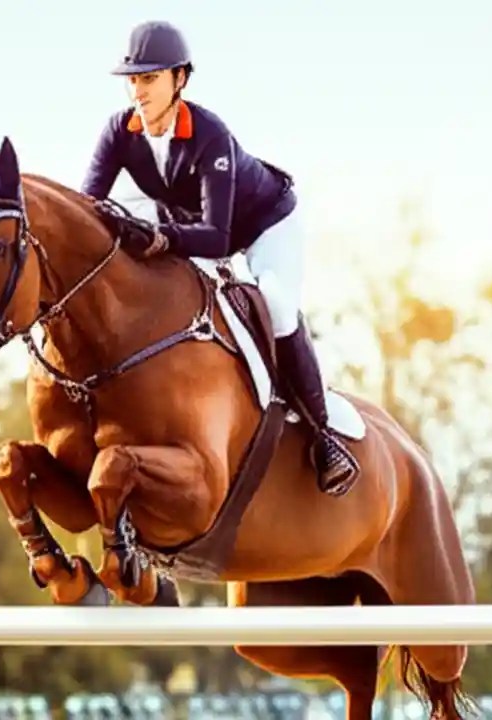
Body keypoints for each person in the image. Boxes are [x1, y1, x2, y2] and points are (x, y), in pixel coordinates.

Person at [78, 20, 359, 496]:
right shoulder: (118, 132)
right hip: (188, 225)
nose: (138, 91)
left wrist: (159, 236)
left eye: (150, 79)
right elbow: (88, 208)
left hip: (263, 224)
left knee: (275, 303)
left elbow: (217, 237)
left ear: (180, 79)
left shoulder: (208, 133)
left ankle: (323, 435)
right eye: (133, 79)